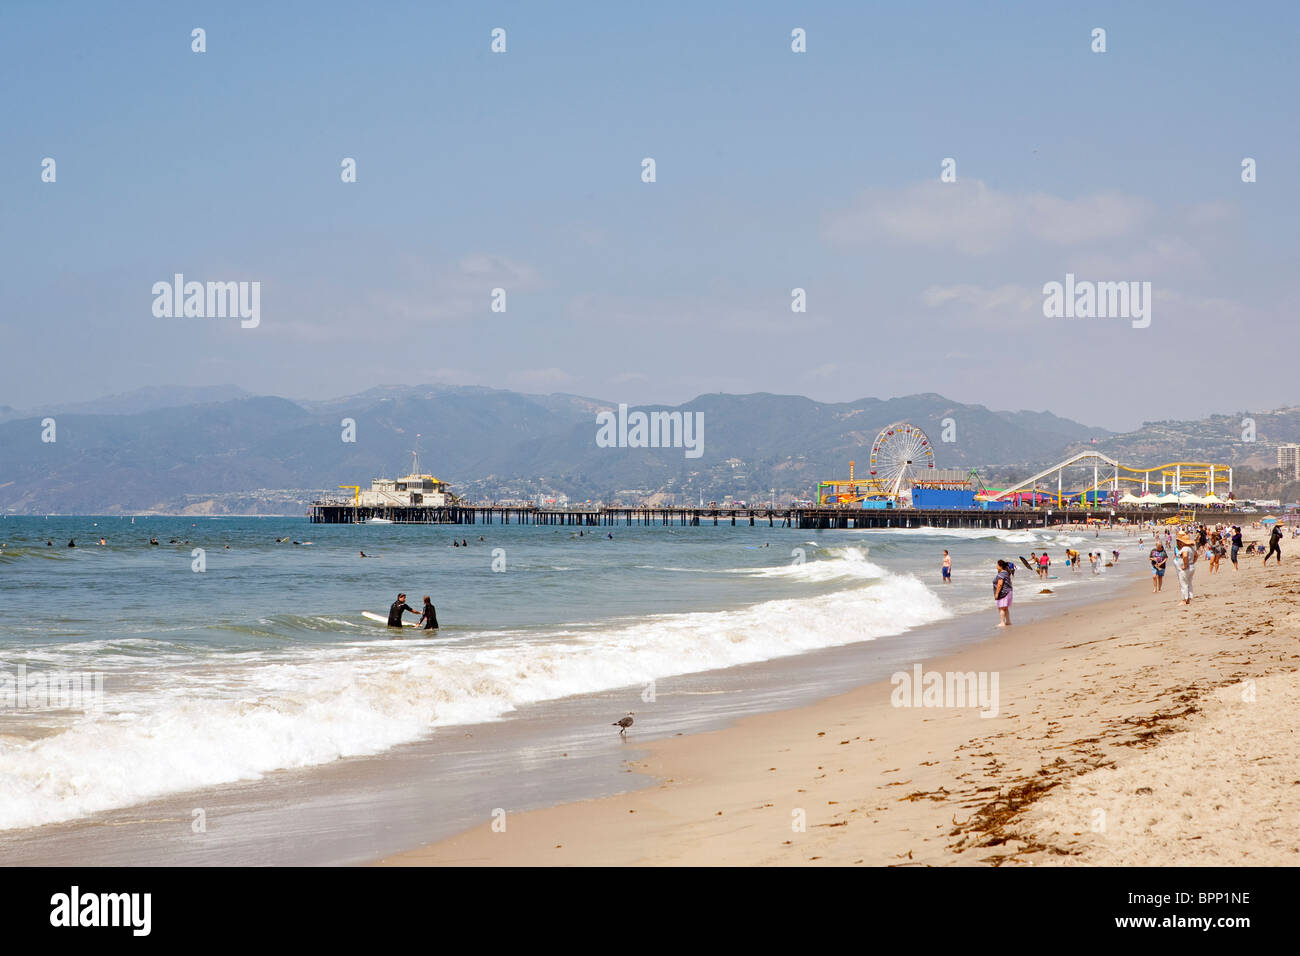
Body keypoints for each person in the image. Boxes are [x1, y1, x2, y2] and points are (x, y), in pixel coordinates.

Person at [1175, 534, 1197, 605]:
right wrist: (1193, 562)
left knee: (1183, 584)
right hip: (1191, 566)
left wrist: (1185, 565)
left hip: (1186, 568)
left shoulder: (1184, 548)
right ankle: (1189, 598)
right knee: (1189, 583)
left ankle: (1184, 599)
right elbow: (1196, 555)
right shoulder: (1191, 548)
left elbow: (1185, 556)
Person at [993, 559, 1013, 626]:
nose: (996, 566)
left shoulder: (1001, 574)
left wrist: (996, 593)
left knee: (1001, 608)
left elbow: (1000, 584)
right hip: (1009, 592)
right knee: (1005, 608)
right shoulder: (1006, 572)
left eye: (997, 565)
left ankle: (1002, 622)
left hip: (1003, 593)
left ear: (1000, 566)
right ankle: (1008, 621)